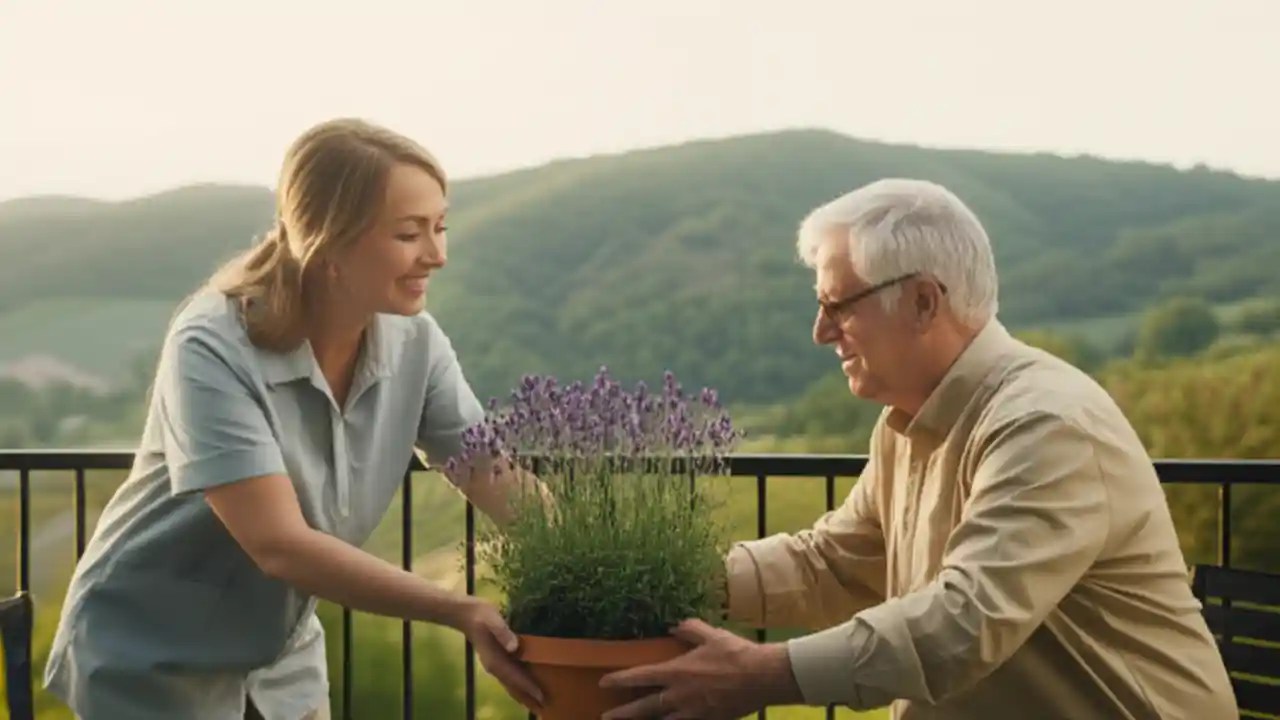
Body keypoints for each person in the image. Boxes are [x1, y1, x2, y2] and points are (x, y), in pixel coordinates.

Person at [600, 179, 1237, 719]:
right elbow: (834, 563)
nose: (821, 332)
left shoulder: (1045, 422)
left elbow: (966, 622)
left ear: (924, 302)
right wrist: (656, 579)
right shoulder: (907, 422)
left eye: (836, 305)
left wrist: (763, 674)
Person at [43, 118, 544, 719]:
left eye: (440, 227)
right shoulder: (212, 342)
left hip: (280, 659)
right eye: (409, 233)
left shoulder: (418, 344)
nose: (437, 255)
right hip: (153, 653)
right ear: (329, 242)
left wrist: (604, 571)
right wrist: (458, 609)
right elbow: (279, 545)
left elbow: (493, 474)